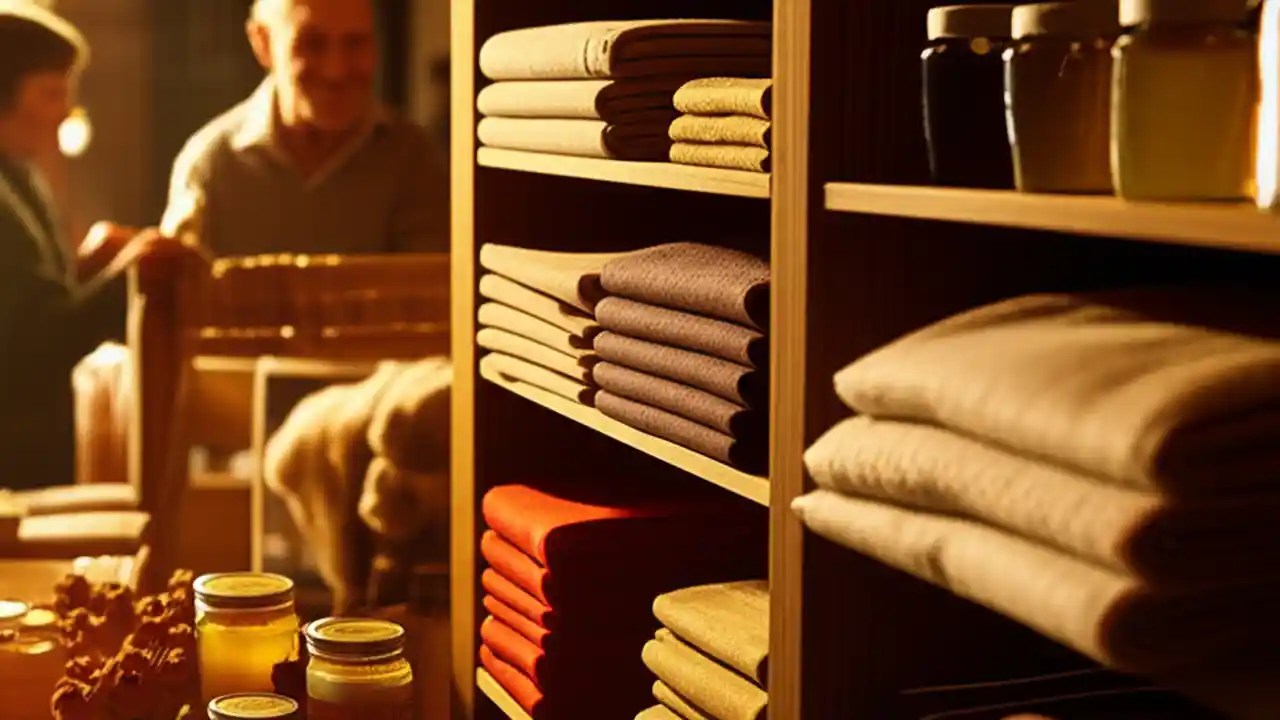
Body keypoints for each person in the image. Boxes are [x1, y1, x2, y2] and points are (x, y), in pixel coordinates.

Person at [0, 5, 177, 489]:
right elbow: (32, 346)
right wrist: (132, 273)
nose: (64, 111)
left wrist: (90, 268)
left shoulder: (20, 176)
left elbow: (31, 300)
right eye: (50, 93)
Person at [166, 0, 448, 257]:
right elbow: (178, 290)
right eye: (312, 44)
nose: (336, 70)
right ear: (262, 43)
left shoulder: (415, 163)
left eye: (355, 43)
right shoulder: (212, 167)